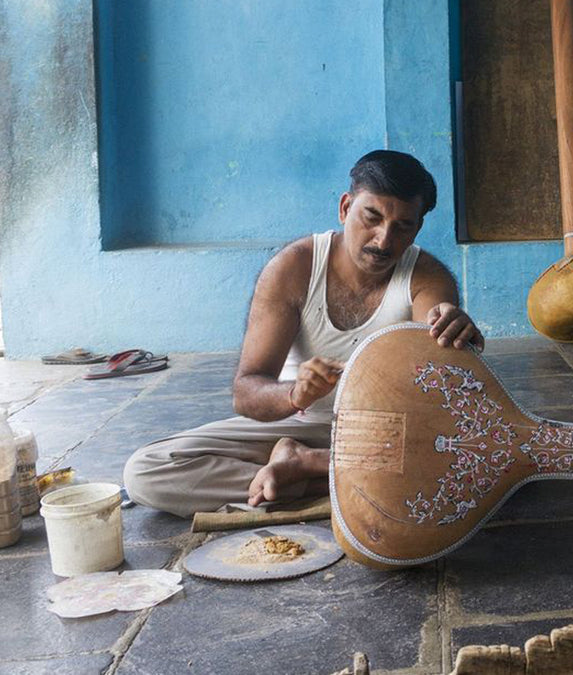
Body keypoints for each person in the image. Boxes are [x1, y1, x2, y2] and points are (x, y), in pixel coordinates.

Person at [123, 150, 483, 517]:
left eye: (403, 226)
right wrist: (296, 393)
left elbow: (437, 378)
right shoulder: (293, 268)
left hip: (387, 436)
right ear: (345, 208)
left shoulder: (427, 277)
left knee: (471, 456)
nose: (383, 240)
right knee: (147, 471)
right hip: (300, 424)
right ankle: (327, 480)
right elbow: (247, 392)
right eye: (371, 217)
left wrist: (453, 336)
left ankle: (302, 470)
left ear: (418, 229)